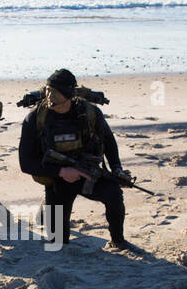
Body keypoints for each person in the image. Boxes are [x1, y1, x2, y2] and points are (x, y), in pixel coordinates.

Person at [17, 68, 136, 250]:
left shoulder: (89, 113)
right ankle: (47, 206)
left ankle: (118, 240)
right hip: (57, 179)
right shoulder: (35, 118)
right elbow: (26, 163)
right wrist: (62, 172)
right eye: (47, 90)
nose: (49, 96)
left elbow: (109, 141)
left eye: (54, 93)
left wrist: (117, 170)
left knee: (114, 194)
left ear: (68, 95)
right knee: (58, 242)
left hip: (89, 174)